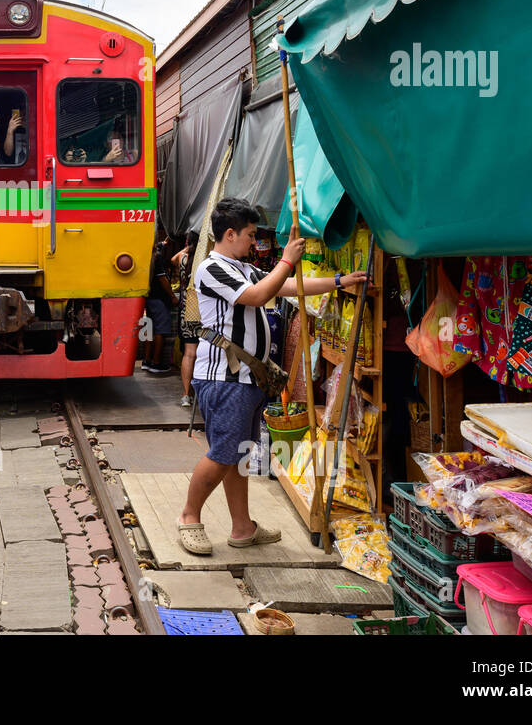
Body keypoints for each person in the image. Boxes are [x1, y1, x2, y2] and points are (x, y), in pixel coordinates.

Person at [177, 197, 367, 556]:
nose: (253, 241)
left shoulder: (241, 267)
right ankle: (189, 517)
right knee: (223, 454)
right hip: (224, 379)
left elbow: (288, 288)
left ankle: (242, 527)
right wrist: (287, 259)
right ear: (230, 234)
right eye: (249, 234)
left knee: (240, 454)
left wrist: (340, 281)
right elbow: (259, 294)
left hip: (247, 378)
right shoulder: (212, 268)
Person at [174, 231, 201, 410]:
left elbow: (173, 259)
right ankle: (200, 393)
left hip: (186, 310)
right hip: (203, 311)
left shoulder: (183, 258)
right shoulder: (203, 259)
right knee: (205, 353)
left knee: (189, 353)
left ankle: (185, 394)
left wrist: (188, 247)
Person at [142, 238, 177, 373]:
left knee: (148, 329)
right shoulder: (158, 258)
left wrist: (164, 243)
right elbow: (162, 278)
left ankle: (146, 361)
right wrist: (173, 296)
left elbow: (161, 245)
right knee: (160, 331)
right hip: (159, 299)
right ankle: (156, 363)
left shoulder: (146, 256)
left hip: (148, 297)